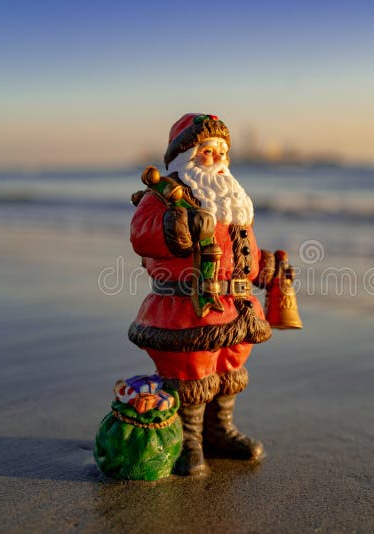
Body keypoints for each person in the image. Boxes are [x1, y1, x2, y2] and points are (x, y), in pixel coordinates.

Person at [128, 113, 281, 475]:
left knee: (230, 367)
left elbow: (245, 254)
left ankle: (218, 430)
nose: (215, 157)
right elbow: (141, 234)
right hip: (186, 306)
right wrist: (172, 226)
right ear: (185, 155)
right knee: (191, 371)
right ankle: (188, 439)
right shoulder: (166, 195)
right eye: (206, 150)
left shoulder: (234, 200)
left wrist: (265, 267)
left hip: (236, 308)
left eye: (221, 151)